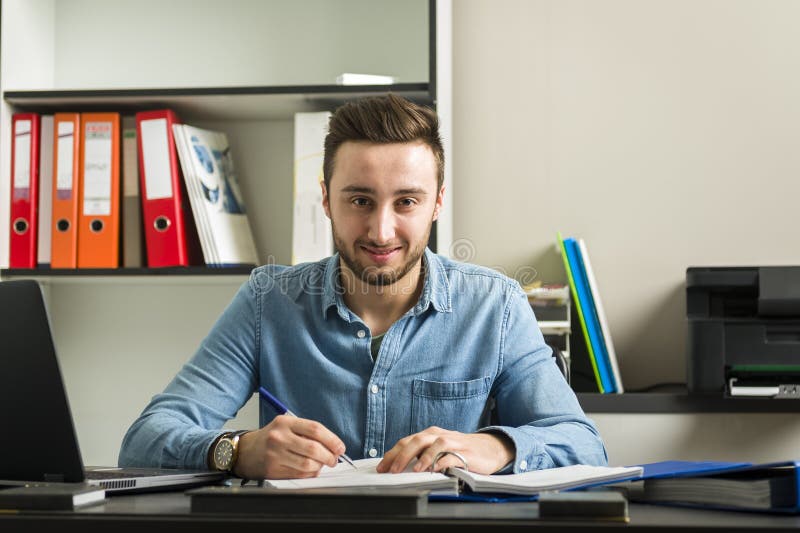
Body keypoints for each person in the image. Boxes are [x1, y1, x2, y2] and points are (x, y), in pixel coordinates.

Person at [118, 94, 607, 480]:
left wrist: (493, 446)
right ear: (326, 199)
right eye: (360, 200)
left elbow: (584, 444)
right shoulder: (268, 302)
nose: (380, 231)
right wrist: (236, 450)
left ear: (437, 203)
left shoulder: (495, 306)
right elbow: (144, 440)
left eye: (407, 202)